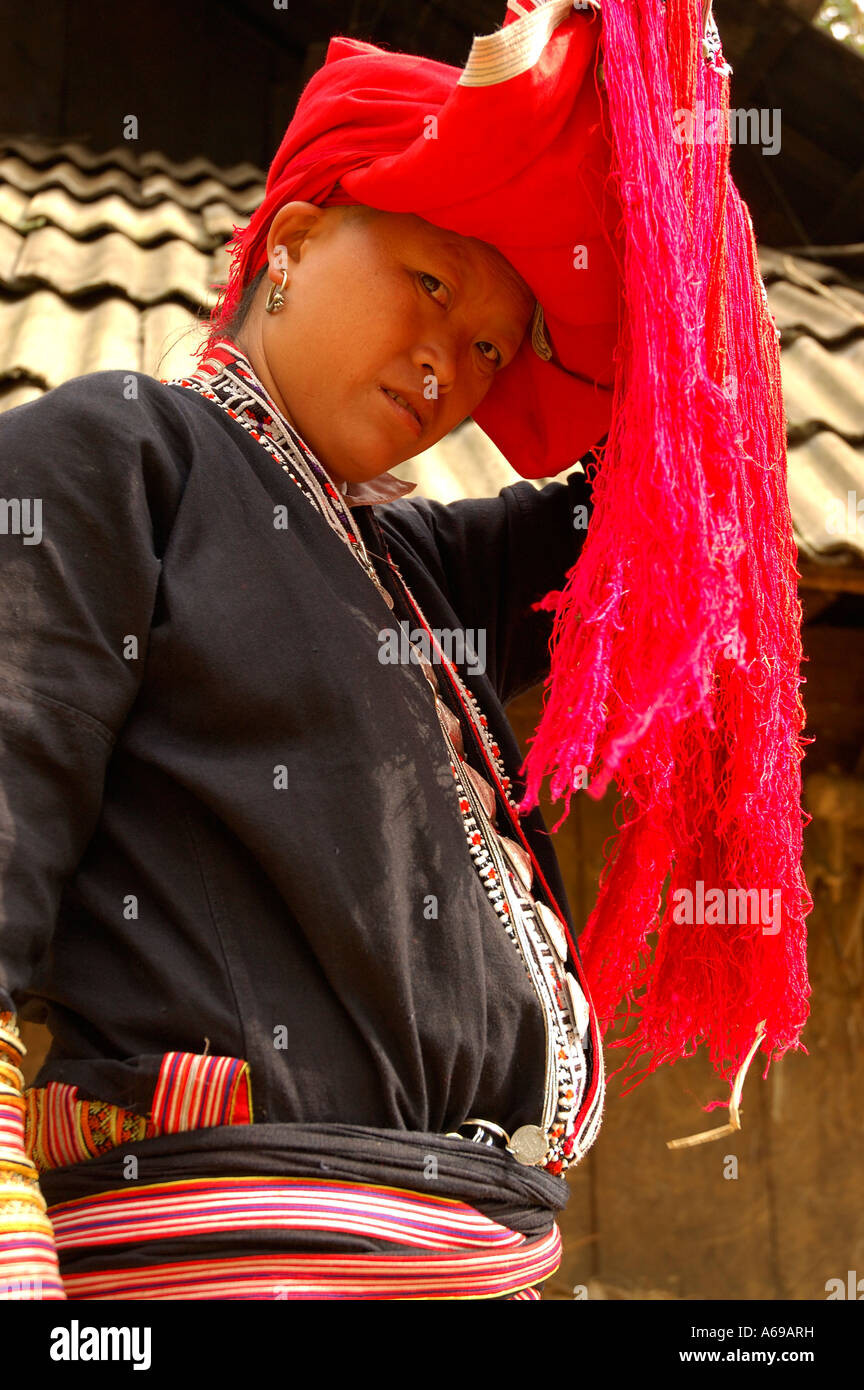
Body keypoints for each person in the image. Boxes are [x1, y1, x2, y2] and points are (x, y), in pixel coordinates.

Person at [0, 4, 618, 1300]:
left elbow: (645, 501)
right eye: (431, 284)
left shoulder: (414, 570)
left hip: (474, 1250)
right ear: (288, 244)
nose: (451, 363)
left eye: (493, 346)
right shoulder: (124, 456)